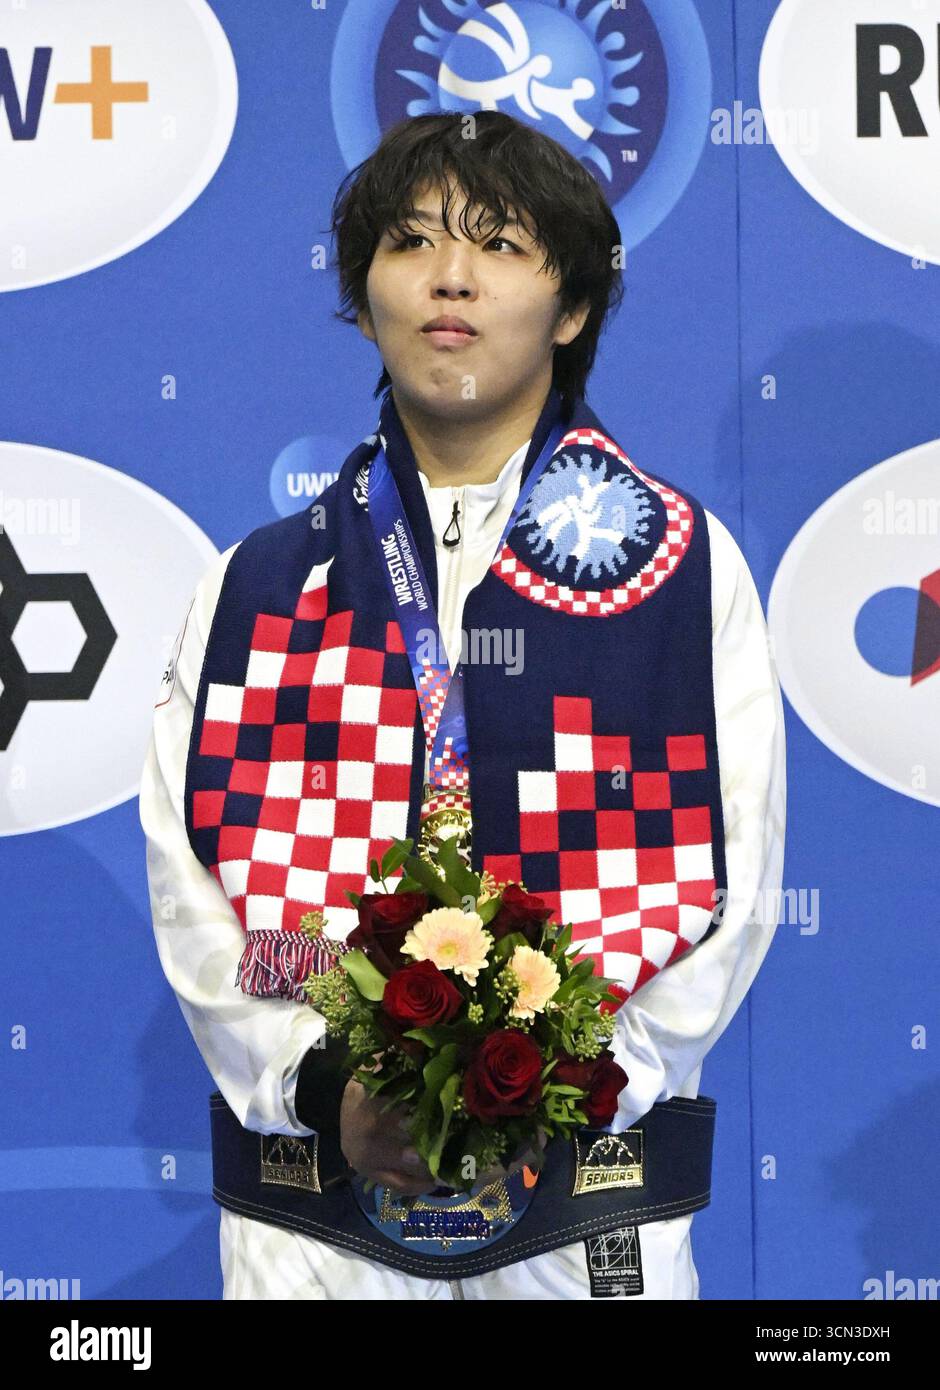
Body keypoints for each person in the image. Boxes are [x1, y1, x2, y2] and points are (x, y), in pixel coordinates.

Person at [139, 111, 786, 1300]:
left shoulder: (681, 567)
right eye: (409, 240)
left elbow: (729, 888)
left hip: (588, 1198)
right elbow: (194, 882)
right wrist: (318, 1085)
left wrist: (569, 1084)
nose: (449, 274)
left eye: (497, 243)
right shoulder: (260, 584)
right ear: (364, 289)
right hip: (315, 1230)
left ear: (574, 305)